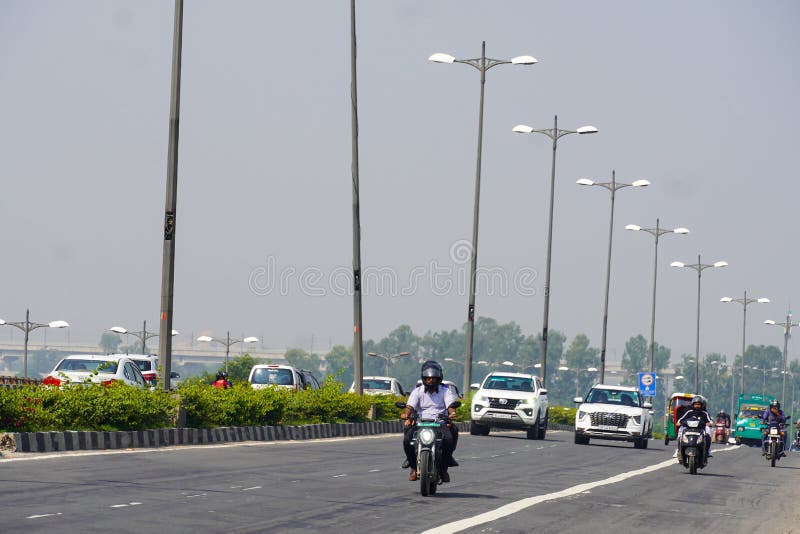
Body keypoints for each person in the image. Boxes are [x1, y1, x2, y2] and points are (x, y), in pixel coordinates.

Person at [401, 361, 457, 483]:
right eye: (428, 378)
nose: (430, 381)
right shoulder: (418, 391)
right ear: (424, 378)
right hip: (421, 423)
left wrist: (452, 414)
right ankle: (413, 466)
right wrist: (407, 415)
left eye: (433, 378)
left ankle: (444, 468)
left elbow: (451, 406)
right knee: (407, 439)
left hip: (440, 422)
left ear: (439, 378)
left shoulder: (445, 390)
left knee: (449, 438)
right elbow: (410, 406)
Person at [674, 396, 713, 461]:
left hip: (700, 430)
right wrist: (679, 423)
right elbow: (681, 419)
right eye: (695, 404)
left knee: (708, 430)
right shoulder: (689, 412)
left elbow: (710, 421)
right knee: (681, 430)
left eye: (699, 404)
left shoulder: (704, 413)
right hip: (689, 430)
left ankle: (707, 450)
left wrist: (709, 423)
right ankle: (679, 450)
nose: (697, 406)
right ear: (693, 404)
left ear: (701, 405)